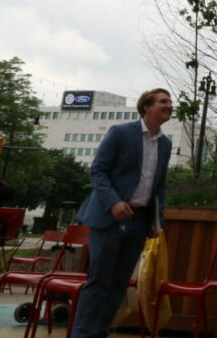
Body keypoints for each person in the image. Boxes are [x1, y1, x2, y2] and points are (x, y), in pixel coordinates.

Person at [70, 88, 173, 338]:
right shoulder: (121, 133)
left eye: (170, 102)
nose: (169, 105)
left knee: (119, 284)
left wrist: (156, 221)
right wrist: (114, 202)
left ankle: (100, 332)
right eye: (163, 101)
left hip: (138, 221)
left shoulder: (166, 144)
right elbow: (97, 172)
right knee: (99, 280)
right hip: (109, 217)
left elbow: (158, 185)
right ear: (146, 107)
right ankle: (83, 335)